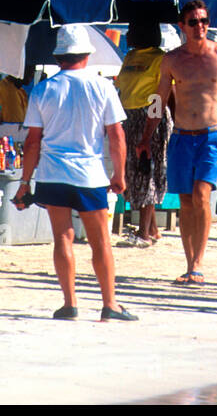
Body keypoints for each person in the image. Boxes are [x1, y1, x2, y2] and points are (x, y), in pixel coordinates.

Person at [13, 24, 136, 321]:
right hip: (89, 174)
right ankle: (110, 304)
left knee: (63, 238)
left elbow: (32, 142)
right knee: (100, 242)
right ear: (87, 55)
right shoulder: (103, 86)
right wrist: (119, 174)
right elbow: (117, 136)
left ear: (59, 58)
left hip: (53, 173)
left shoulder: (43, 89)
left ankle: (70, 303)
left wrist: (24, 182)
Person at [141, 0, 217, 286]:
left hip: (212, 136)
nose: (200, 26)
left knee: (201, 196)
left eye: (204, 21)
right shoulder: (172, 60)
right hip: (181, 138)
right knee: (186, 202)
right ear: (182, 26)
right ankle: (189, 264)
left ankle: (198, 263)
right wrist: (146, 135)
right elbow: (158, 100)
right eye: (194, 21)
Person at [116, 19, 170, 245]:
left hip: (150, 116)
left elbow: (161, 94)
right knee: (133, 170)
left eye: (131, 29)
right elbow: (122, 87)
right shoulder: (129, 56)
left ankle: (143, 233)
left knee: (146, 170)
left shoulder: (161, 58)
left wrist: (151, 127)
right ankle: (154, 230)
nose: (127, 34)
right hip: (129, 116)